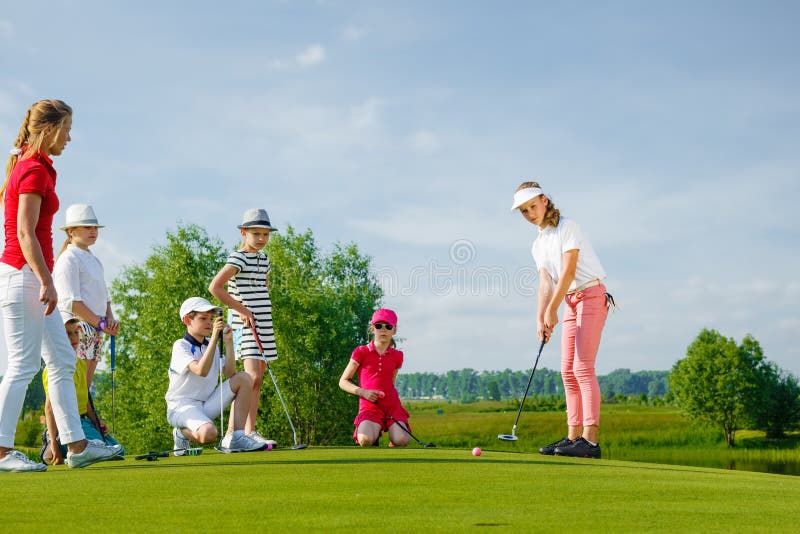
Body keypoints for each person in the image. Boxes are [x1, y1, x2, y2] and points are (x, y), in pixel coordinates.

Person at [0, 100, 123, 471]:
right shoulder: (32, 168)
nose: (69, 137)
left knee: (63, 360)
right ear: (50, 129)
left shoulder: (35, 165)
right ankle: (2, 451)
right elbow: (25, 232)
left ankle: (78, 446)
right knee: (22, 365)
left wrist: (45, 279)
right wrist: (46, 281)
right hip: (24, 276)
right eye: (66, 129)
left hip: (32, 277)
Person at [511, 181, 614, 459]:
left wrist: (552, 309)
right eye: (524, 211)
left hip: (590, 295)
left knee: (582, 367)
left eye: (533, 206)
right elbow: (546, 283)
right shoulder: (538, 244)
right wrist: (540, 318)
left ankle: (590, 442)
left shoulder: (568, 227)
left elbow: (568, 273)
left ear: (544, 201)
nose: (530, 213)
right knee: (567, 371)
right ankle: (573, 437)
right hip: (569, 301)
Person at [209, 208, 278, 448]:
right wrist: (241, 310)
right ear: (243, 233)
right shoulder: (238, 257)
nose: (261, 238)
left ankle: (249, 431)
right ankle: (233, 433)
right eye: (256, 233)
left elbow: (263, 287)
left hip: (263, 323)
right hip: (245, 324)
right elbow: (215, 287)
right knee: (251, 377)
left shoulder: (264, 260)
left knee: (258, 379)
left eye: (265, 234)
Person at [166, 296, 265, 454]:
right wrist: (213, 339)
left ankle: (237, 437)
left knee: (244, 378)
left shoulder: (210, 345)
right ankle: (180, 433)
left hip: (207, 404)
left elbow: (230, 373)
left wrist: (229, 342)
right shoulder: (181, 345)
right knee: (209, 434)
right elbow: (201, 370)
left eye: (210, 319)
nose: (209, 323)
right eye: (203, 318)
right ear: (187, 320)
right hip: (181, 408)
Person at [52, 203, 120, 388]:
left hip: (95, 329)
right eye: (87, 227)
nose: (93, 231)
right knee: (69, 385)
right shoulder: (68, 259)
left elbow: (104, 297)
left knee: (84, 388)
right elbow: (71, 303)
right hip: (76, 329)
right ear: (71, 231)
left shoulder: (94, 260)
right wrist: (102, 324)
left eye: (95, 228)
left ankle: (83, 410)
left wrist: (110, 319)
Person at [41, 317, 124, 465]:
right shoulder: (53, 369)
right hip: (66, 422)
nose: (74, 338)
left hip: (83, 421)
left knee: (117, 449)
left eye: (76, 332)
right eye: (68, 334)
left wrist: (97, 422)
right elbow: (49, 408)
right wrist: (53, 442)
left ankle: (66, 446)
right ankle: (54, 443)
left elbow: (86, 402)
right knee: (105, 449)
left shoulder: (81, 364)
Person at [338, 308, 411, 447]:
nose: (383, 329)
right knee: (365, 440)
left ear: (394, 330)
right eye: (378, 326)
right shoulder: (361, 352)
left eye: (388, 326)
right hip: (369, 407)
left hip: (392, 407)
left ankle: (393, 440)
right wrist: (363, 392)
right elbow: (343, 381)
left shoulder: (397, 356)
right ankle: (374, 435)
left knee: (401, 440)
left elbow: (391, 382)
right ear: (372, 329)